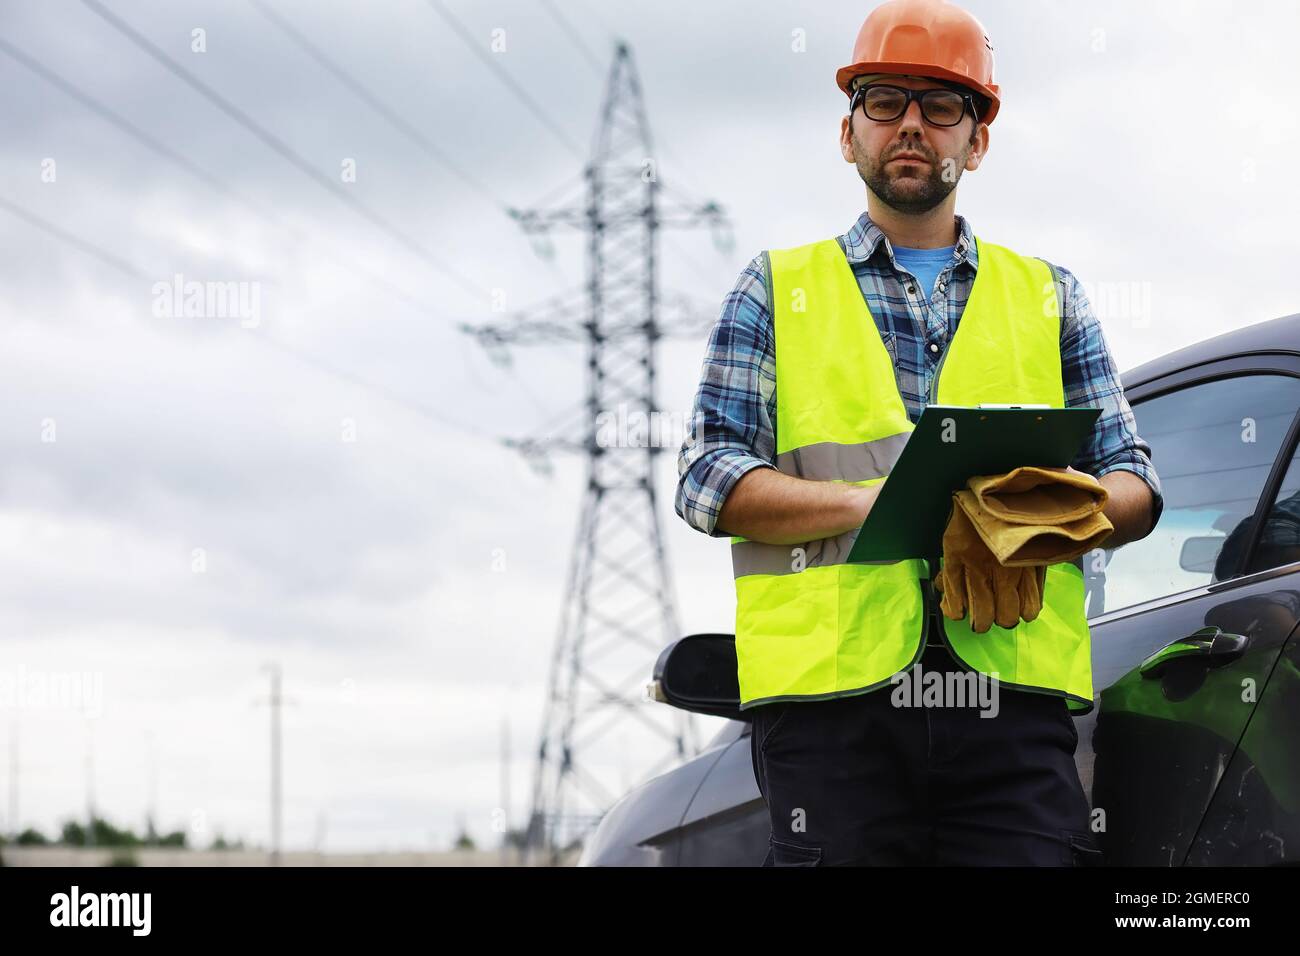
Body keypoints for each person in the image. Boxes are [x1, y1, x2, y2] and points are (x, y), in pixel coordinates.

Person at [674, 0, 1164, 865]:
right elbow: (708, 480)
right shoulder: (775, 289)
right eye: (886, 101)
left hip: (1009, 712)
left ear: (976, 141)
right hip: (832, 722)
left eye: (942, 106)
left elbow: (1134, 482)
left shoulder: (1050, 295)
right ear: (848, 132)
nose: (911, 126)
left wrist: (1038, 514)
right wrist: (884, 503)